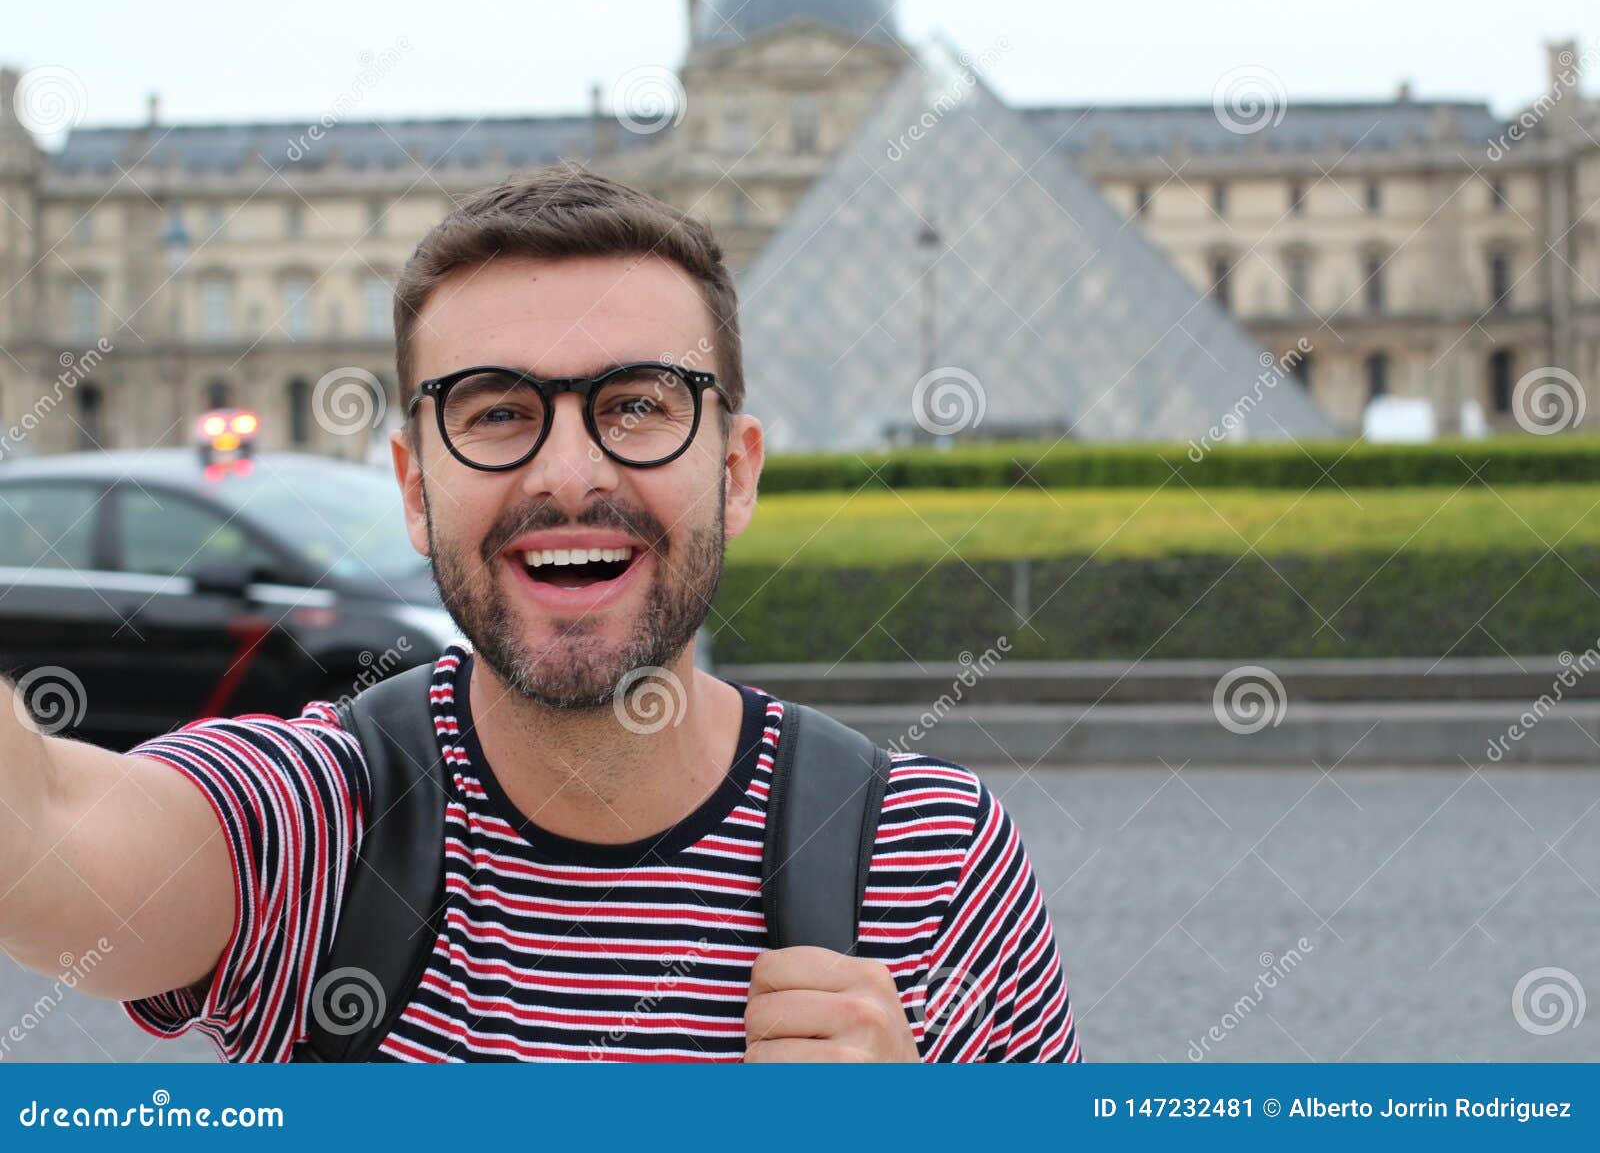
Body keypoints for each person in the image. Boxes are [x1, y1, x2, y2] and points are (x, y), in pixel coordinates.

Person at [0, 167, 1079, 1063]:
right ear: (415, 488)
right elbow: (39, 827)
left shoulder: (933, 864)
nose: (569, 472)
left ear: (736, 470)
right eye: (499, 411)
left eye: (640, 403)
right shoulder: (314, 832)